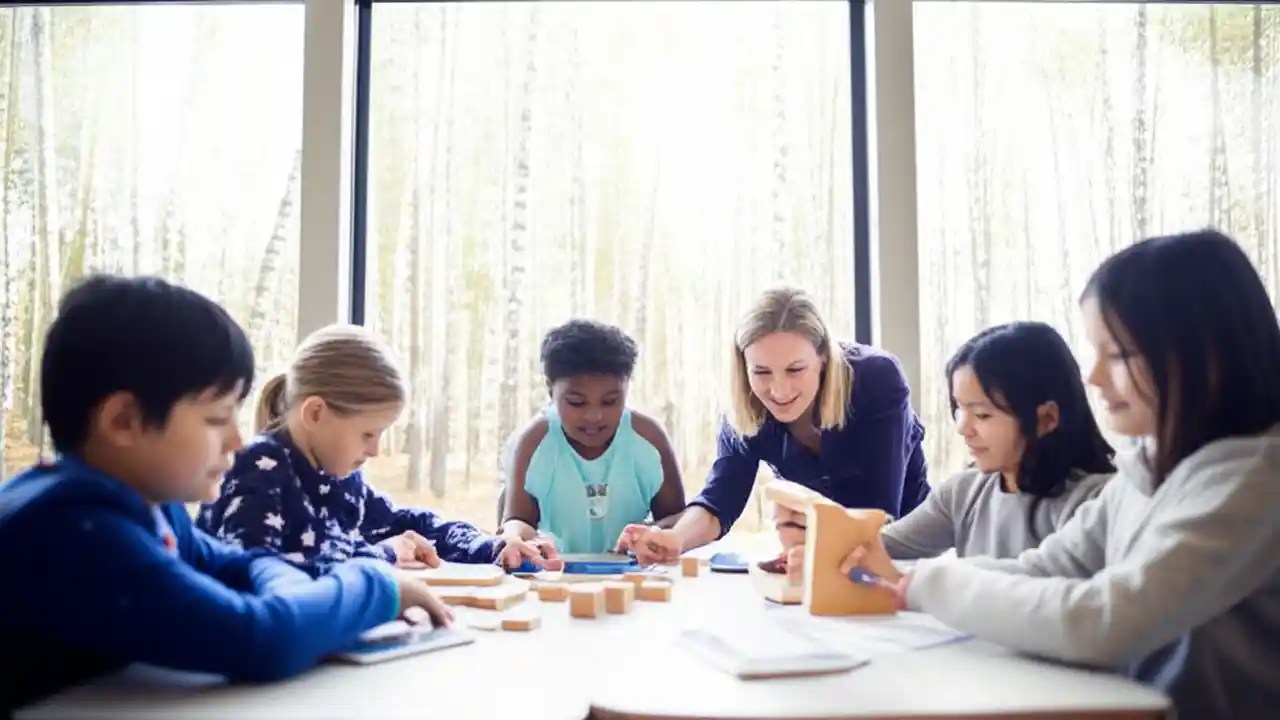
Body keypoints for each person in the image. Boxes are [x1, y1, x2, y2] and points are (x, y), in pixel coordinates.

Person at [846, 231, 1280, 718]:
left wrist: (931, 585)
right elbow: (1046, 566)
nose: (1093, 377)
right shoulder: (1145, 475)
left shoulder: (1253, 484)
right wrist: (910, 581)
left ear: (1206, 354)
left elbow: (1102, 622)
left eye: (1118, 354)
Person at [0, 276, 449, 714]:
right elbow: (260, 638)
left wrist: (294, 599)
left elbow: (244, 565)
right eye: (217, 419)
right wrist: (377, 585)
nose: (237, 441)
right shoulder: (74, 532)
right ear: (123, 422)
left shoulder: (153, 506)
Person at [199, 324, 556, 574]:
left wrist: (491, 547)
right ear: (316, 413)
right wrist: (384, 554)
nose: (375, 451)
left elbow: (410, 524)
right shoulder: (258, 470)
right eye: (368, 434)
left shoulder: (340, 478)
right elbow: (258, 573)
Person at [620, 287, 930, 564]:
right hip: (816, 554)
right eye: (762, 372)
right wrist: (676, 539)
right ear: (744, 368)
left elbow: (879, 514)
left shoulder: (877, 380)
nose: (779, 391)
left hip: (905, 551)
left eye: (795, 370)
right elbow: (717, 504)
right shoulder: (744, 407)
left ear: (823, 357)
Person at [877, 321, 1114, 559]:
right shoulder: (963, 492)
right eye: (959, 409)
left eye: (982, 414)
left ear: (1046, 419)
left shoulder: (1097, 502)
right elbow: (879, 546)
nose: (963, 429)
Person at [498, 320, 686, 554]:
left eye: (610, 401)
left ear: (627, 388)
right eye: (576, 402)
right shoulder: (534, 444)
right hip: (555, 578)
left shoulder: (648, 439)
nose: (594, 416)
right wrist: (513, 536)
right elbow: (518, 522)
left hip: (633, 578)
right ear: (550, 389)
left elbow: (678, 521)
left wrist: (652, 534)